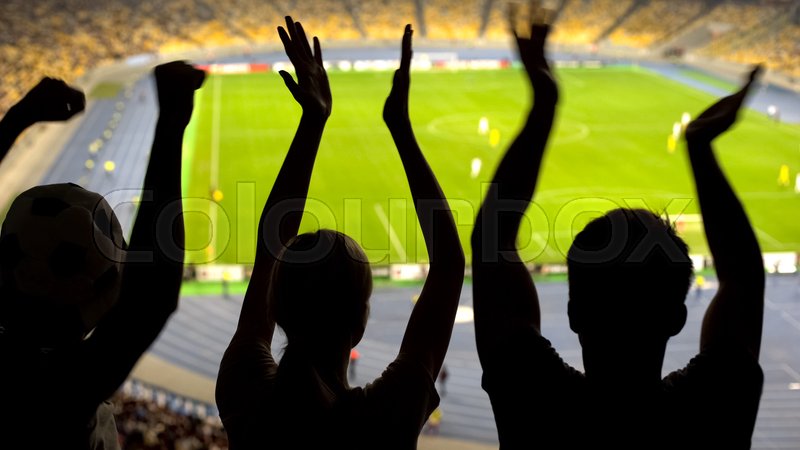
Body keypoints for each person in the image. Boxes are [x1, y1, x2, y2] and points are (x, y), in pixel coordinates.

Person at [471, 3, 764, 448]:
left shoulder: (533, 398)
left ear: (572, 314)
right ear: (677, 318)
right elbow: (744, 281)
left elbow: (490, 242)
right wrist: (700, 146)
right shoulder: (714, 407)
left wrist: (545, 106)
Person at [216, 20, 464, 449]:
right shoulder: (384, 419)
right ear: (360, 325)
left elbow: (447, 266)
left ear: (277, 303)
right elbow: (451, 266)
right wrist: (401, 128)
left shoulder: (246, 389)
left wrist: (313, 122)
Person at [0, 62, 204, 448]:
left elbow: (151, 300)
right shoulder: (61, 391)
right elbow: (151, 301)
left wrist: (17, 118)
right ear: (103, 292)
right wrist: (172, 122)